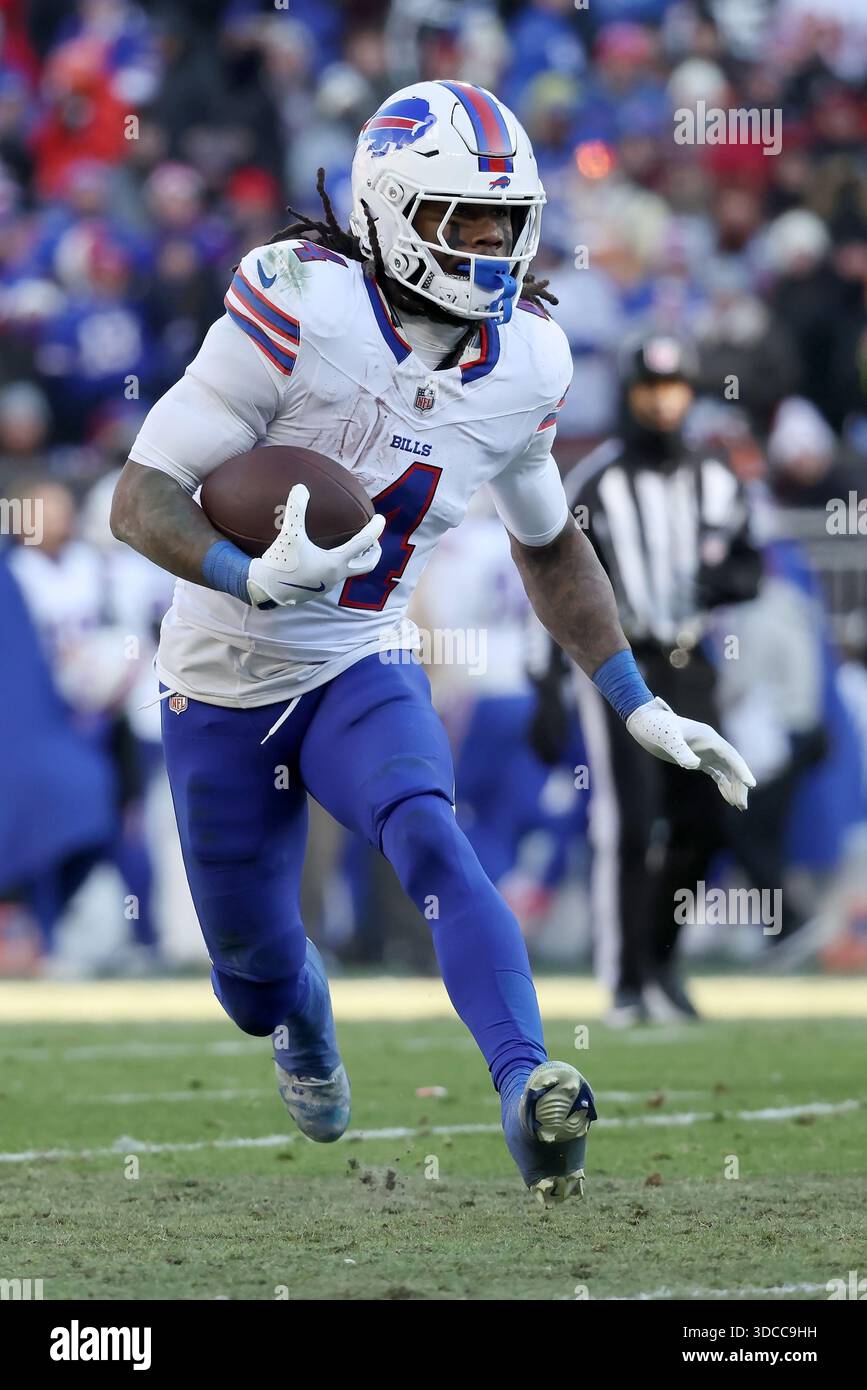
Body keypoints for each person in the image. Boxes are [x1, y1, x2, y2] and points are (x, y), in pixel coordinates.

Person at [110, 81, 754, 1207]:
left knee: (429, 830)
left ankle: (529, 1082)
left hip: (360, 656)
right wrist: (240, 569)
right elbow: (141, 494)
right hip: (218, 676)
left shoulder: (530, 362)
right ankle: (301, 1008)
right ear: (394, 207)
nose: (495, 245)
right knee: (251, 977)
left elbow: (551, 549)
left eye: (508, 220)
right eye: (467, 219)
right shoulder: (295, 301)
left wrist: (636, 699)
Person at [530, 333, 763, 1025]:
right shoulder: (597, 484)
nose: (662, 402)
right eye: (649, 388)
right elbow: (557, 589)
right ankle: (624, 982)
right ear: (629, 394)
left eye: (674, 388)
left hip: (691, 660)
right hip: (618, 669)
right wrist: (545, 686)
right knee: (629, 823)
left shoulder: (715, 480)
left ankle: (659, 959)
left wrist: (725, 580)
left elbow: (751, 565)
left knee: (709, 819)